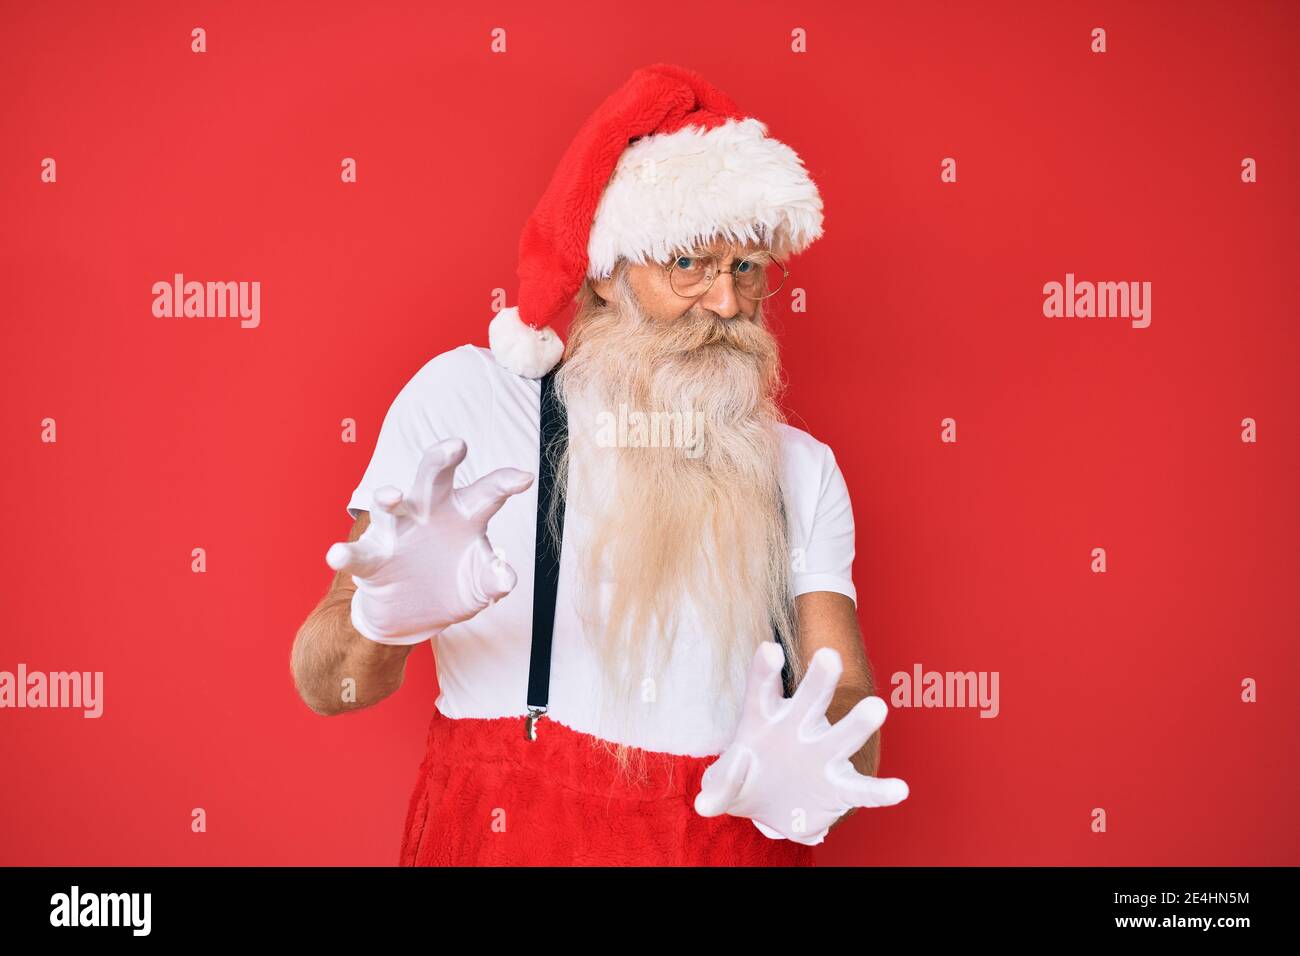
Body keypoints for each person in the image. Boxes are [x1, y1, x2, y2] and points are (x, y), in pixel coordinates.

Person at [290, 63, 909, 866]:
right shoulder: (468, 404)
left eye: (747, 269)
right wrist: (380, 619)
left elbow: (849, 701)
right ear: (609, 274)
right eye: (688, 264)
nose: (726, 304)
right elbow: (329, 685)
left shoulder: (800, 470)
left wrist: (817, 767)